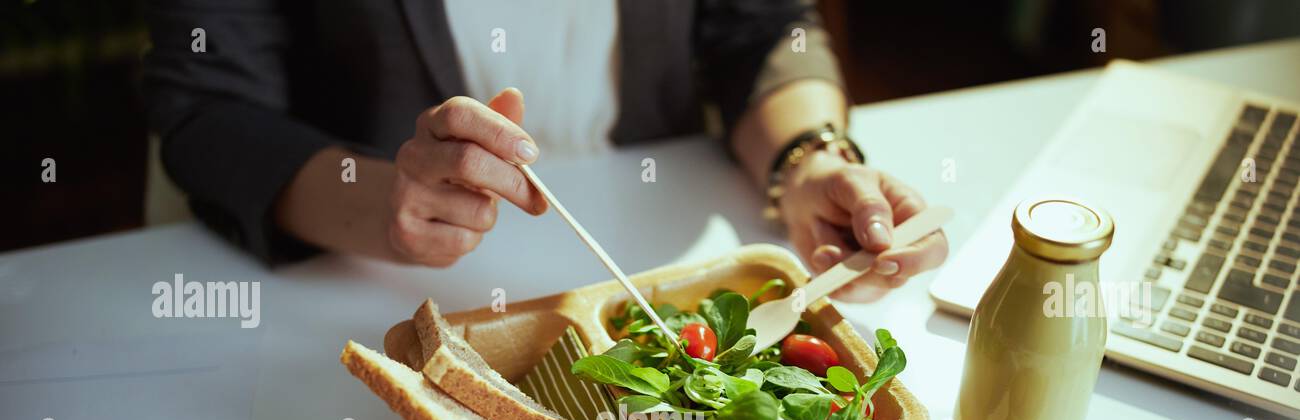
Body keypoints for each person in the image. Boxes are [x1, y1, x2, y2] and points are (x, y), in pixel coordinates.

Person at [143, 1, 946, 302]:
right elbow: (208, 106)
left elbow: (764, 26)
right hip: (369, 296)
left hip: (665, 257)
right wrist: (382, 202)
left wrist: (809, 159)